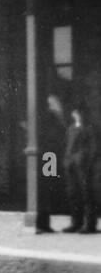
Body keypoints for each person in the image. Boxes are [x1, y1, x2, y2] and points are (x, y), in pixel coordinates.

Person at [62, 99, 99, 234]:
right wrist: (67, 160)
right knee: (73, 195)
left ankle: (90, 225)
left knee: (87, 195)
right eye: (76, 112)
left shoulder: (90, 128)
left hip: (84, 167)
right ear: (73, 114)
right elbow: (67, 145)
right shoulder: (71, 129)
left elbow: (94, 149)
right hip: (71, 166)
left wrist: (86, 162)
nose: (78, 115)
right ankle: (76, 223)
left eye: (80, 112)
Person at [36, 93, 68, 233]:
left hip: (49, 154)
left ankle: (44, 221)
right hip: (49, 155)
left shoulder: (49, 117)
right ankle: (43, 222)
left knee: (47, 186)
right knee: (47, 186)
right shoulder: (52, 117)